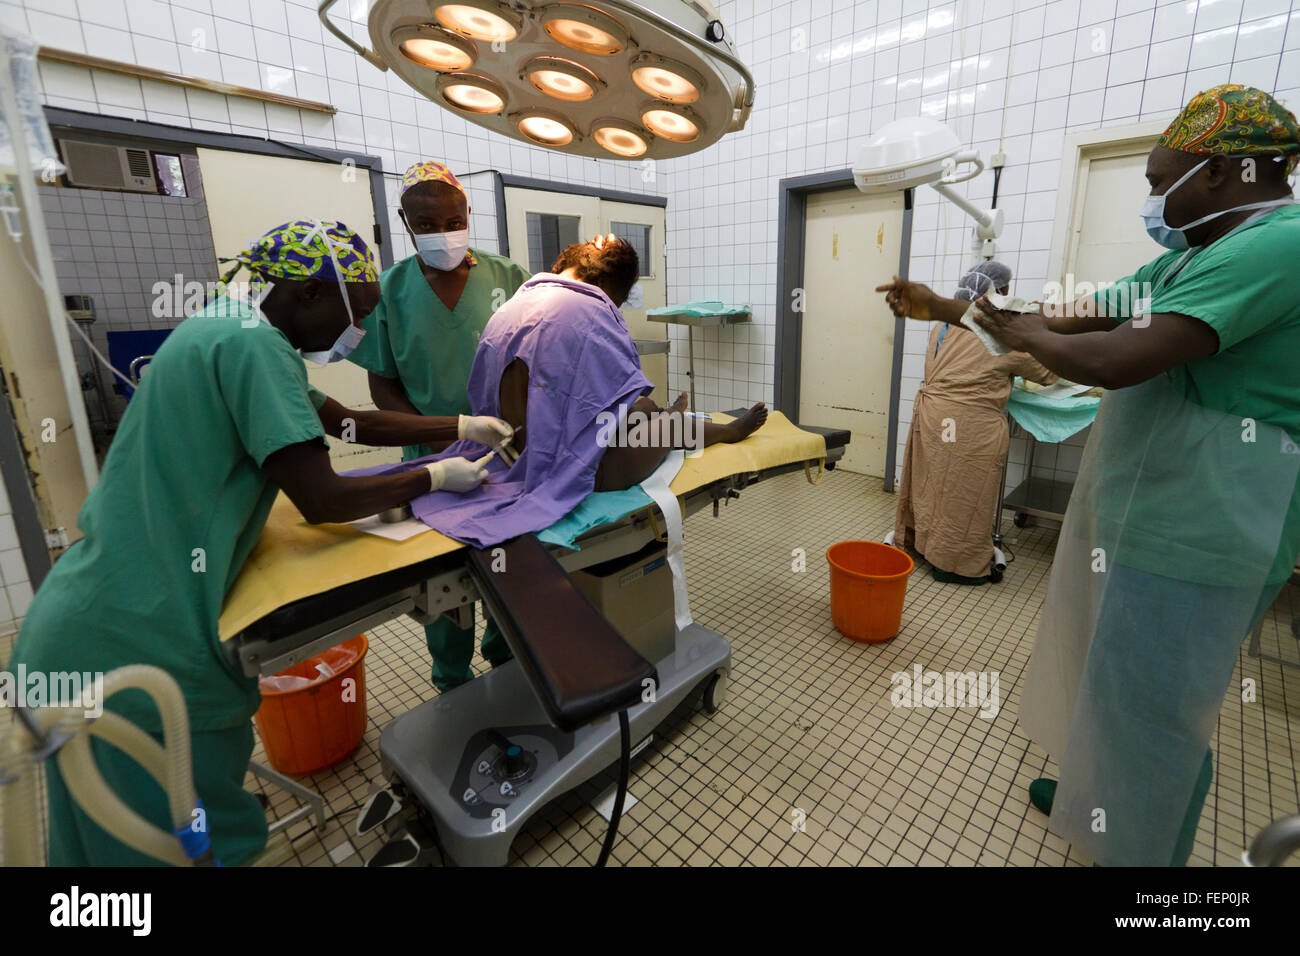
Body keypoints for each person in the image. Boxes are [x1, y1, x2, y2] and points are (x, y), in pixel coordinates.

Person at [876, 84, 1300, 866]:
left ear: (1213, 173)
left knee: (1161, 706)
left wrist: (980, 320)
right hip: (1154, 506)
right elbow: (1066, 318)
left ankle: (1145, 861)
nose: (1152, 196)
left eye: (1155, 181)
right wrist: (951, 308)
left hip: (1209, 522)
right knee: (1116, 677)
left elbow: (1109, 358)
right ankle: (1096, 795)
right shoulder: (1194, 255)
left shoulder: (1281, 246)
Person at [8, 220, 500, 866]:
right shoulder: (254, 350)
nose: (355, 339)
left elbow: (350, 421)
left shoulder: (230, 327)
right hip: (136, 654)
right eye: (356, 316)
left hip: (87, 626)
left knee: (94, 857)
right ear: (307, 295)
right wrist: (436, 474)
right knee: (182, 850)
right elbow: (321, 498)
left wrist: (460, 424)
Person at [350, 235, 768, 549]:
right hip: (581, 474)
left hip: (504, 458)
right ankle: (726, 430)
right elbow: (612, 419)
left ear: (561, 264)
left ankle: (666, 411)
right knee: (666, 424)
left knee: (641, 406)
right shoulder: (596, 312)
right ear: (616, 295)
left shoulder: (508, 310)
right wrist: (648, 415)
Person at [350, 161, 531, 693]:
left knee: (503, 563)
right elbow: (382, 383)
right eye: (426, 225)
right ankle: (451, 679)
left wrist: (513, 432)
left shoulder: (508, 279)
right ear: (405, 223)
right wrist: (437, 442)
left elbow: (529, 364)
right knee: (443, 579)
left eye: (452, 220)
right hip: (428, 457)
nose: (442, 234)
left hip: (504, 452)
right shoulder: (390, 290)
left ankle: (505, 659)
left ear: (467, 213)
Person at [892, 261, 1057, 584]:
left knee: (931, 486)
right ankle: (957, 564)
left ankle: (920, 546)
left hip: (932, 416)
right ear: (999, 291)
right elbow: (1046, 374)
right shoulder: (1001, 330)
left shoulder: (943, 323)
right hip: (970, 426)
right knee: (964, 496)